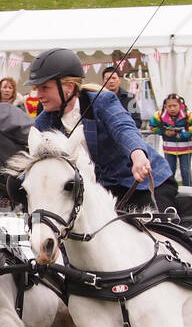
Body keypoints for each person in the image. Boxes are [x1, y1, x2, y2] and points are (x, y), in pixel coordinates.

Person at [29, 48, 177, 214]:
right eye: (37, 88)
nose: (38, 95)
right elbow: (35, 160)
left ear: (69, 87)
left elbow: (123, 128)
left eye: (45, 88)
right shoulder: (43, 122)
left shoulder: (101, 101)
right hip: (102, 193)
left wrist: (137, 154)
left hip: (142, 183)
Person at [150, 93, 192, 187]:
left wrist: (184, 132)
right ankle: (170, 191)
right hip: (169, 148)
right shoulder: (159, 115)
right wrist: (165, 132)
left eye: (175, 106)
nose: (172, 108)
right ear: (165, 106)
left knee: (185, 171)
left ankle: (189, 192)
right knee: (170, 171)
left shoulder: (188, 114)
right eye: (169, 106)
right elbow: (152, 127)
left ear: (180, 105)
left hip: (186, 148)